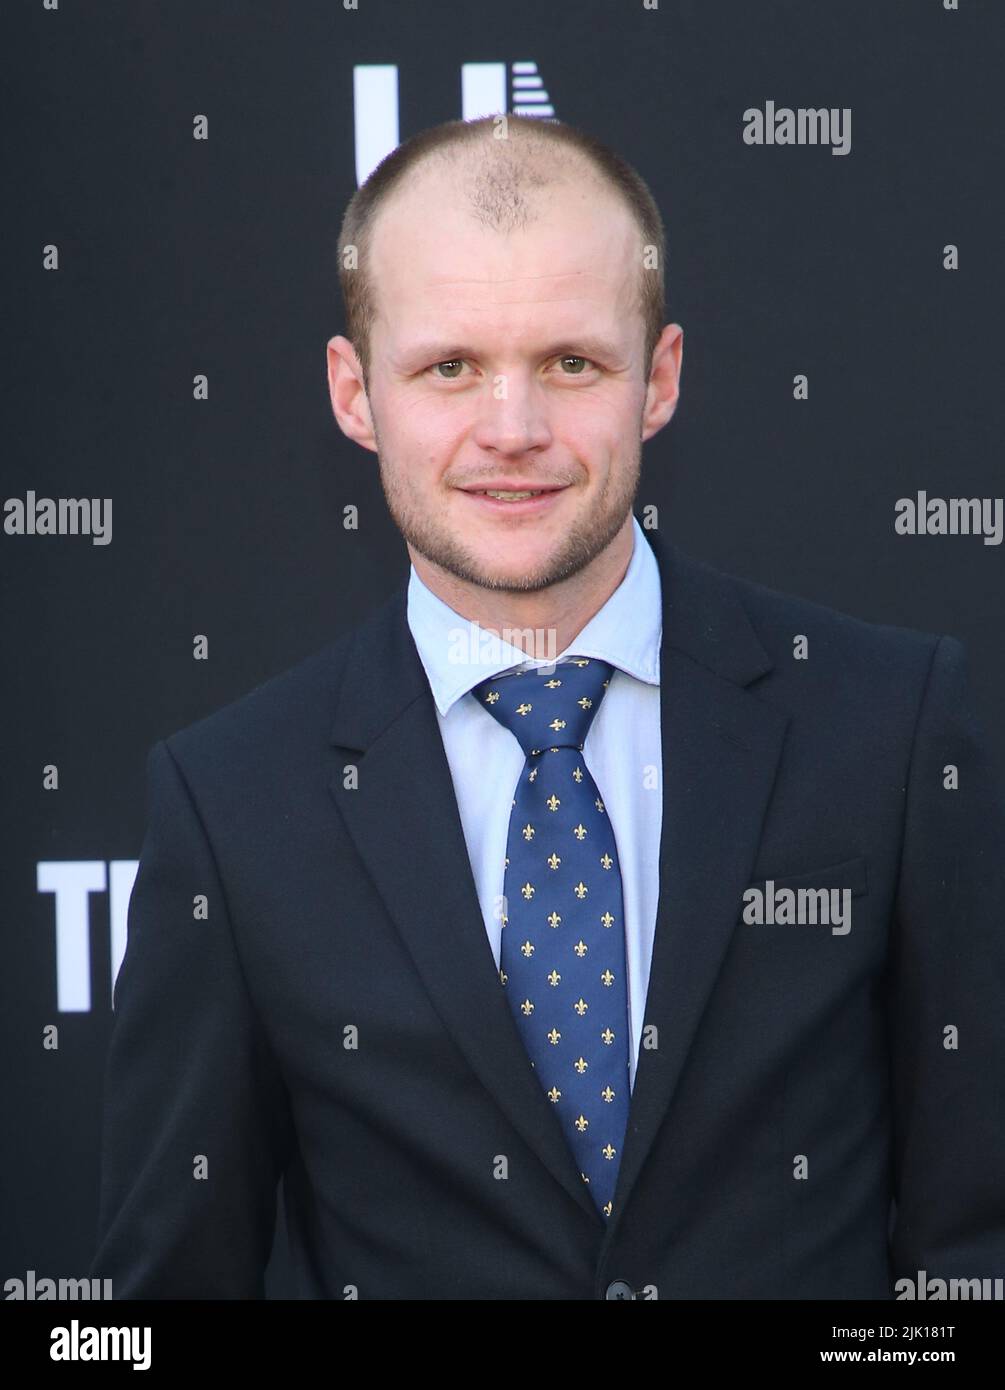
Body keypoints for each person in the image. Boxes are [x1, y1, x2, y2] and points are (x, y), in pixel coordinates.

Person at [90, 114, 1005, 1299]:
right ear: (355, 392)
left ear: (660, 379)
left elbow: (978, 1245)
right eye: (449, 366)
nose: (512, 432)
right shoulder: (231, 803)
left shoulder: (889, 727)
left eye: (572, 362)